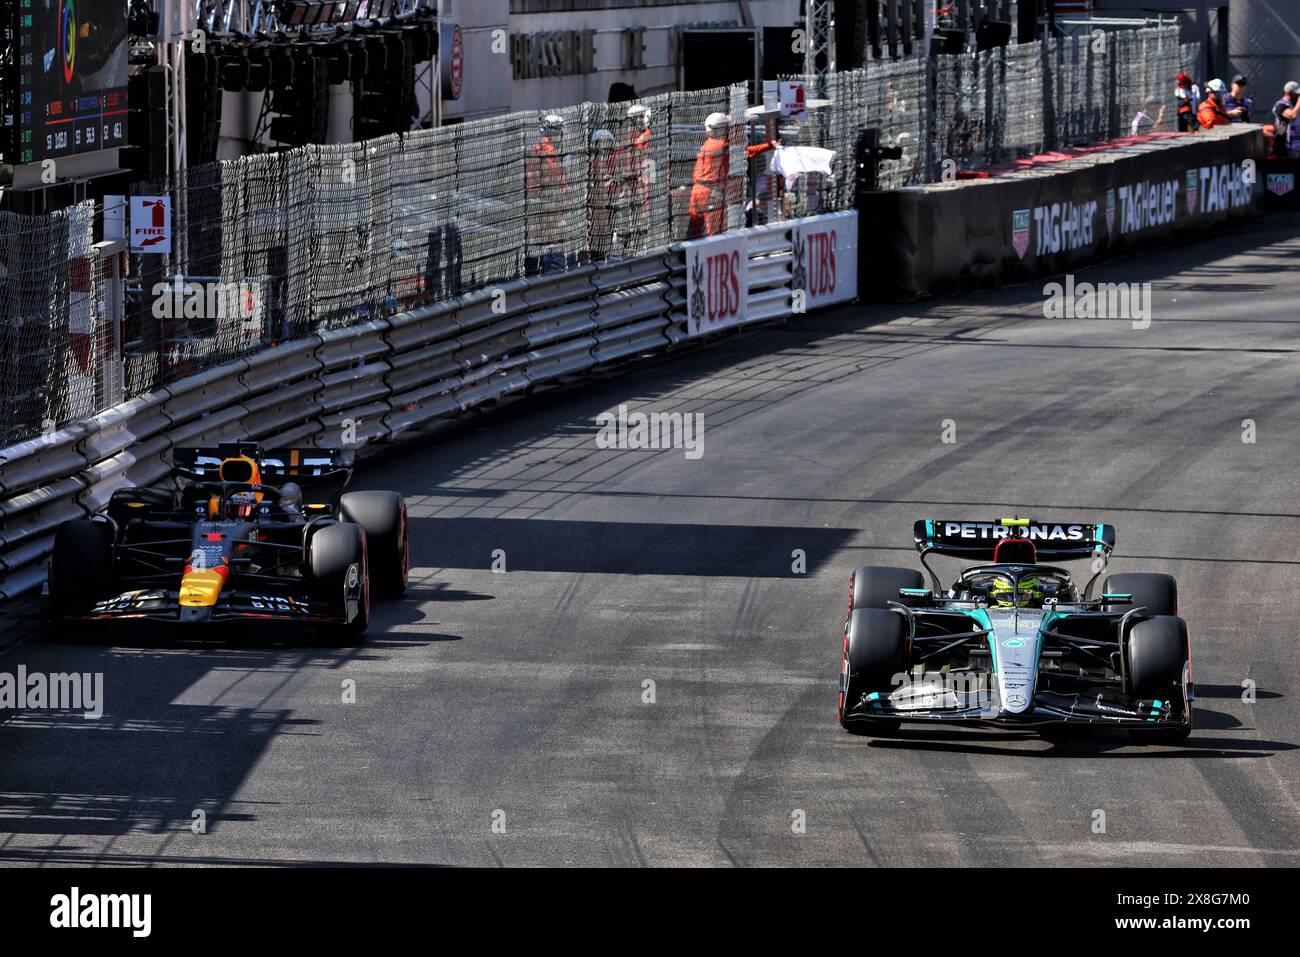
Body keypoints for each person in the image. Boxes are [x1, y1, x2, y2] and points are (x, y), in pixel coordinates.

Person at [686, 113, 779, 239]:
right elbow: (749, 151)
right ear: (719, 129)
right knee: (715, 232)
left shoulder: (707, 144)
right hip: (712, 191)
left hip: (697, 189)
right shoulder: (722, 145)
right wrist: (769, 145)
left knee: (694, 230)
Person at [525, 114, 569, 274]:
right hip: (551, 214)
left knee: (546, 251)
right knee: (554, 255)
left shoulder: (538, 152)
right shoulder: (549, 155)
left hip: (542, 213)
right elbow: (558, 185)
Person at [587, 128, 620, 262]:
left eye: (607, 143)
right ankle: (597, 256)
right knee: (597, 235)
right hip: (598, 207)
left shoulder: (612, 162)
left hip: (608, 205)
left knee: (608, 233)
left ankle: (604, 254)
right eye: (602, 143)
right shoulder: (593, 163)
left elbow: (616, 183)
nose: (605, 147)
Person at [1274, 82, 1300, 159]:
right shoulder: (1280, 104)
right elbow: (1292, 115)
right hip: (1287, 146)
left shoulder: (1295, 105)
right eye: (1297, 94)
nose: (1298, 96)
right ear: (1289, 93)